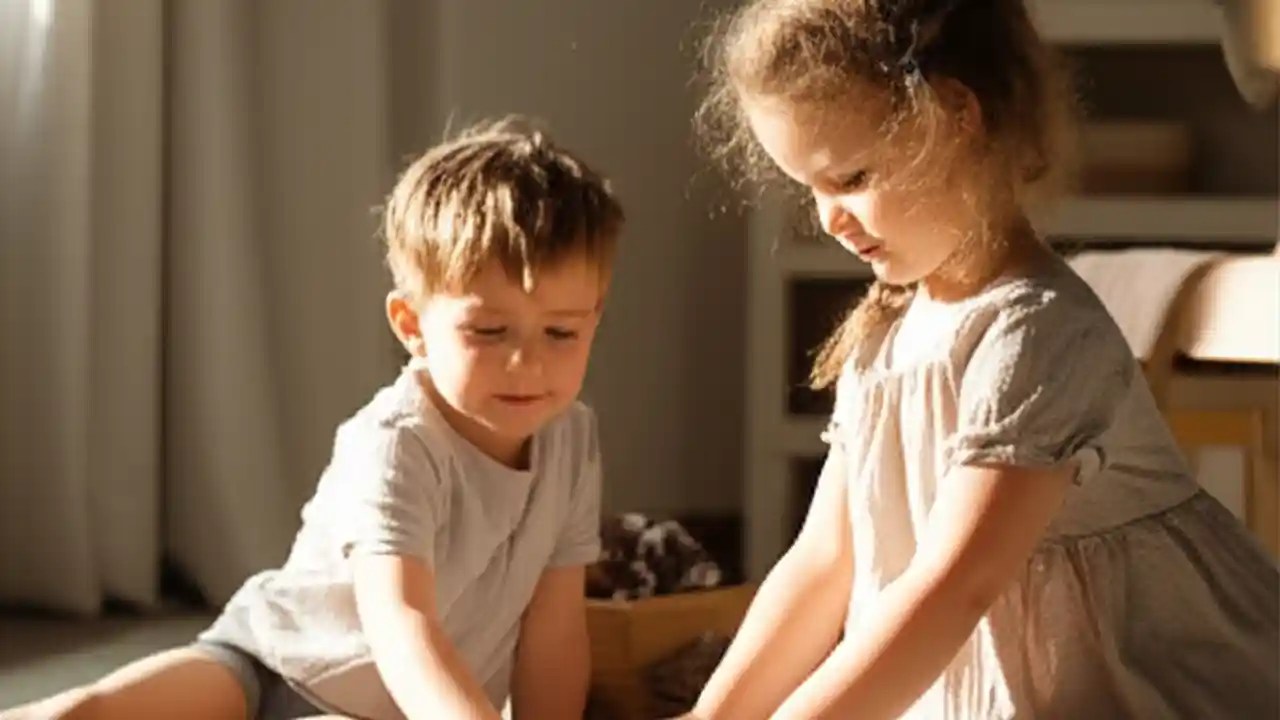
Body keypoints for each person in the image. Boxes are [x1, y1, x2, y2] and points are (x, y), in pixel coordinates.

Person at [685, 1, 1279, 717]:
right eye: (807, 188)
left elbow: (957, 584)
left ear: (953, 114)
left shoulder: (1037, 332)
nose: (827, 219)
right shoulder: (887, 330)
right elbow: (821, 564)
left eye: (850, 179)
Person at [6, 117, 624, 720]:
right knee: (88, 711)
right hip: (271, 665)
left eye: (562, 333)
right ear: (412, 327)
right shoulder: (398, 443)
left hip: (394, 711)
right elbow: (401, 626)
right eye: (489, 332)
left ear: (595, 321)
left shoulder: (571, 441)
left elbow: (555, 627)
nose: (527, 363)